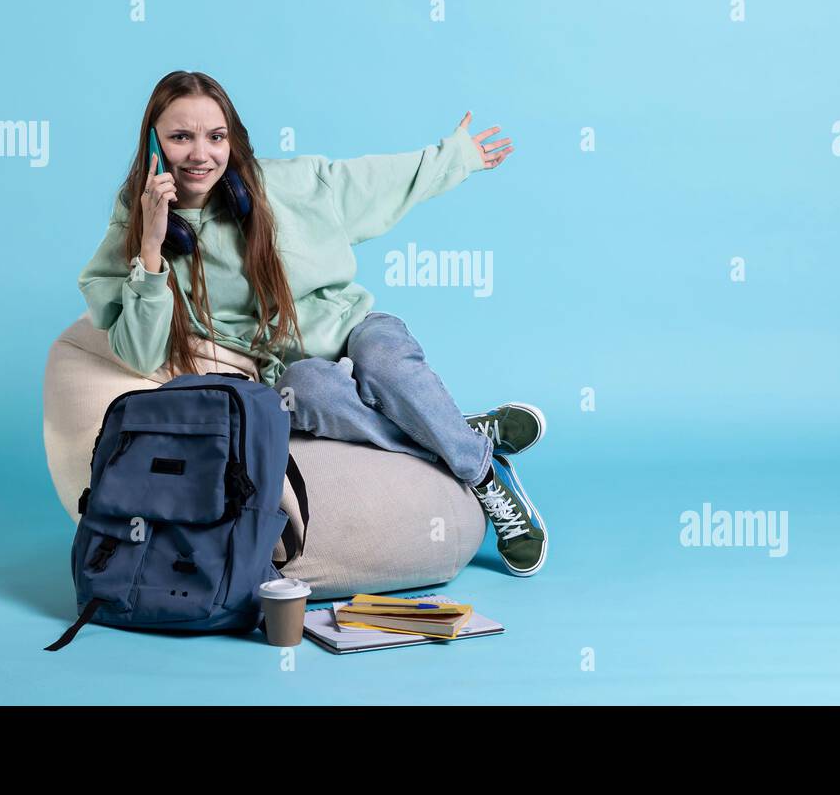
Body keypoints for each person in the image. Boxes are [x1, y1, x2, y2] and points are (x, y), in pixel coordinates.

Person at [77, 70, 547, 576]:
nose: (200, 154)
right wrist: (151, 246)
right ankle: (459, 438)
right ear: (153, 143)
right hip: (291, 368)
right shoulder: (136, 221)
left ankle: (481, 475)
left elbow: (376, 181)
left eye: (215, 137)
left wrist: (456, 156)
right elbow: (140, 353)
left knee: (385, 359)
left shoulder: (289, 185)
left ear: (232, 140)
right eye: (179, 137)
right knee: (309, 390)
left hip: (353, 327)